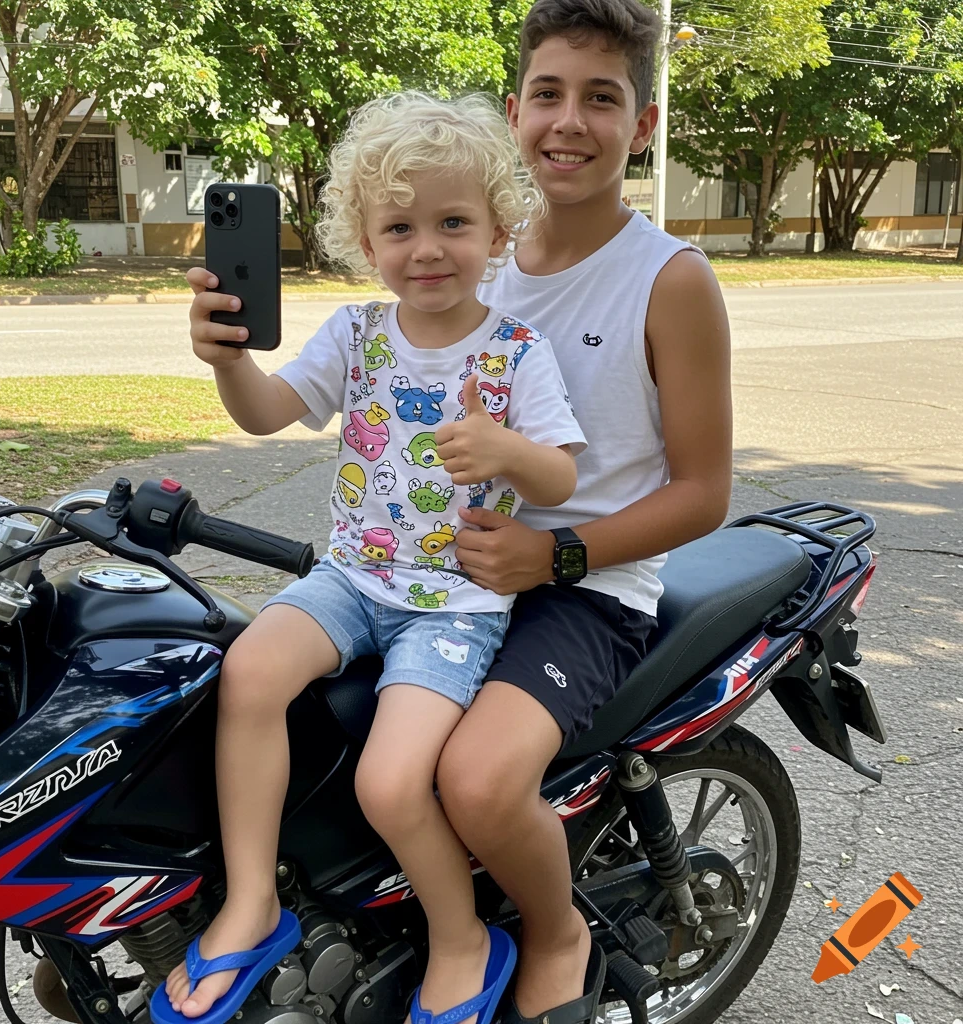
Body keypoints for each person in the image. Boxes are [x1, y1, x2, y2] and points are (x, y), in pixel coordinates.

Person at [156, 92, 587, 1024]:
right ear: (364, 238)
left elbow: (558, 475)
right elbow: (270, 411)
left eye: (452, 222)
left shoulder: (517, 353)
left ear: (499, 228)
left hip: (453, 606)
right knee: (250, 672)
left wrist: (509, 453)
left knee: (391, 782)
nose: (426, 247)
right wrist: (228, 359)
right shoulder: (356, 332)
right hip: (353, 578)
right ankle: (250, 900)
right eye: (399, 226)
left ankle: (462, 933)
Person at [431, 1, 734, 1022]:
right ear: (513, 111)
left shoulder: (669, 281)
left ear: (641, 125)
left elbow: (703, 491)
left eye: (600, 99)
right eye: (549, 95)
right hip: (446, 567)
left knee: (476, 780)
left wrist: (550, 557)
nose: (569, 121)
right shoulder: (479, 257)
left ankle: (555, 929)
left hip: (588, 589)